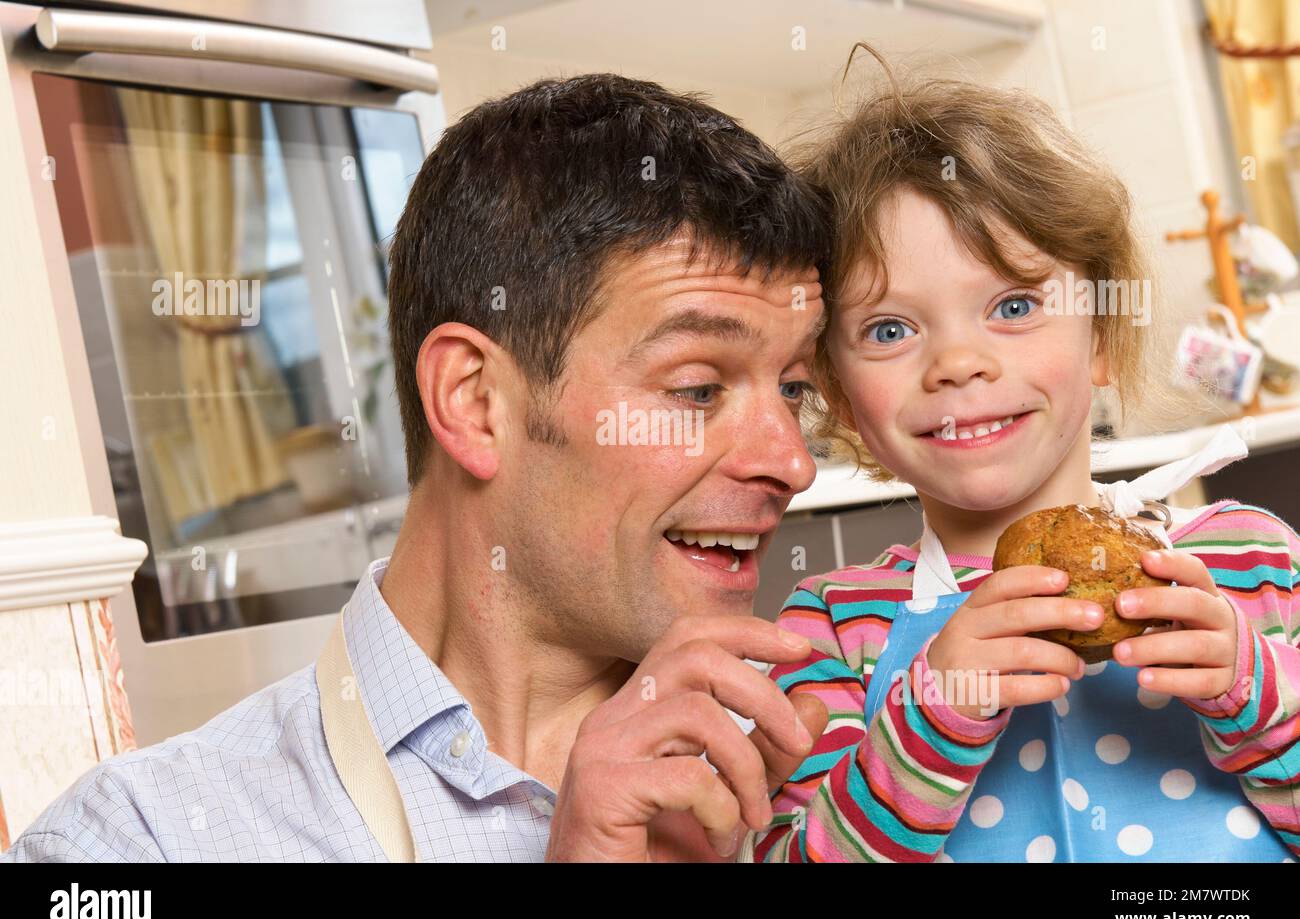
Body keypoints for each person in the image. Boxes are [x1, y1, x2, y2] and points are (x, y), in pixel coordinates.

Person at [4, 73, 830, 863]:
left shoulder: (829, 764)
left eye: (794, 387)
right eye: (697, 387)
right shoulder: (138, 841)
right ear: (474, 402)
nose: (791, 461)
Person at [753, 55, 1300, 862]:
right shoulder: (831, 631)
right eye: (891, 329)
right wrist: (930, 721)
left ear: (1104, 337)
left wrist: (1261, 698)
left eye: (1013, 305)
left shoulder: (1253, 561)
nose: (958, 362)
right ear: (838, 393)